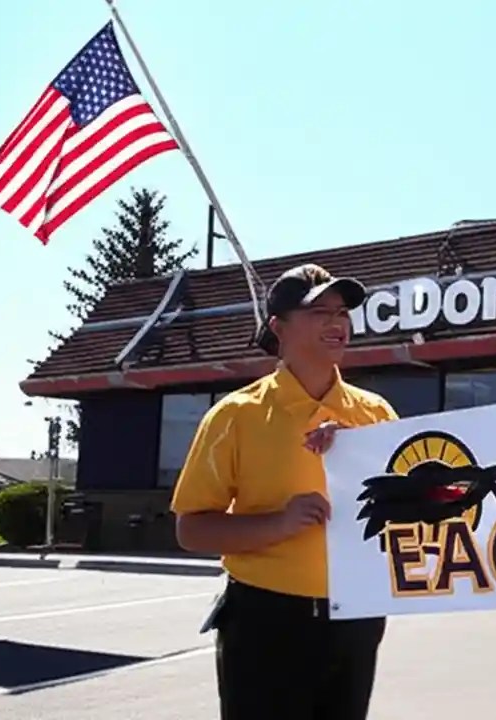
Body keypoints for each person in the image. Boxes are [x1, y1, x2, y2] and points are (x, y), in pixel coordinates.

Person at [170, 263, 399, 720]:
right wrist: (279, 523)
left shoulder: (375, 415)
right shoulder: (235, 415)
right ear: (279, 327)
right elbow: (192, 530)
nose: (337, 323)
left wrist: (358, 455)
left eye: (342, 312)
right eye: (319, 312)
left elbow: (407, 512)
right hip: (264, 621)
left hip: (355, 619)